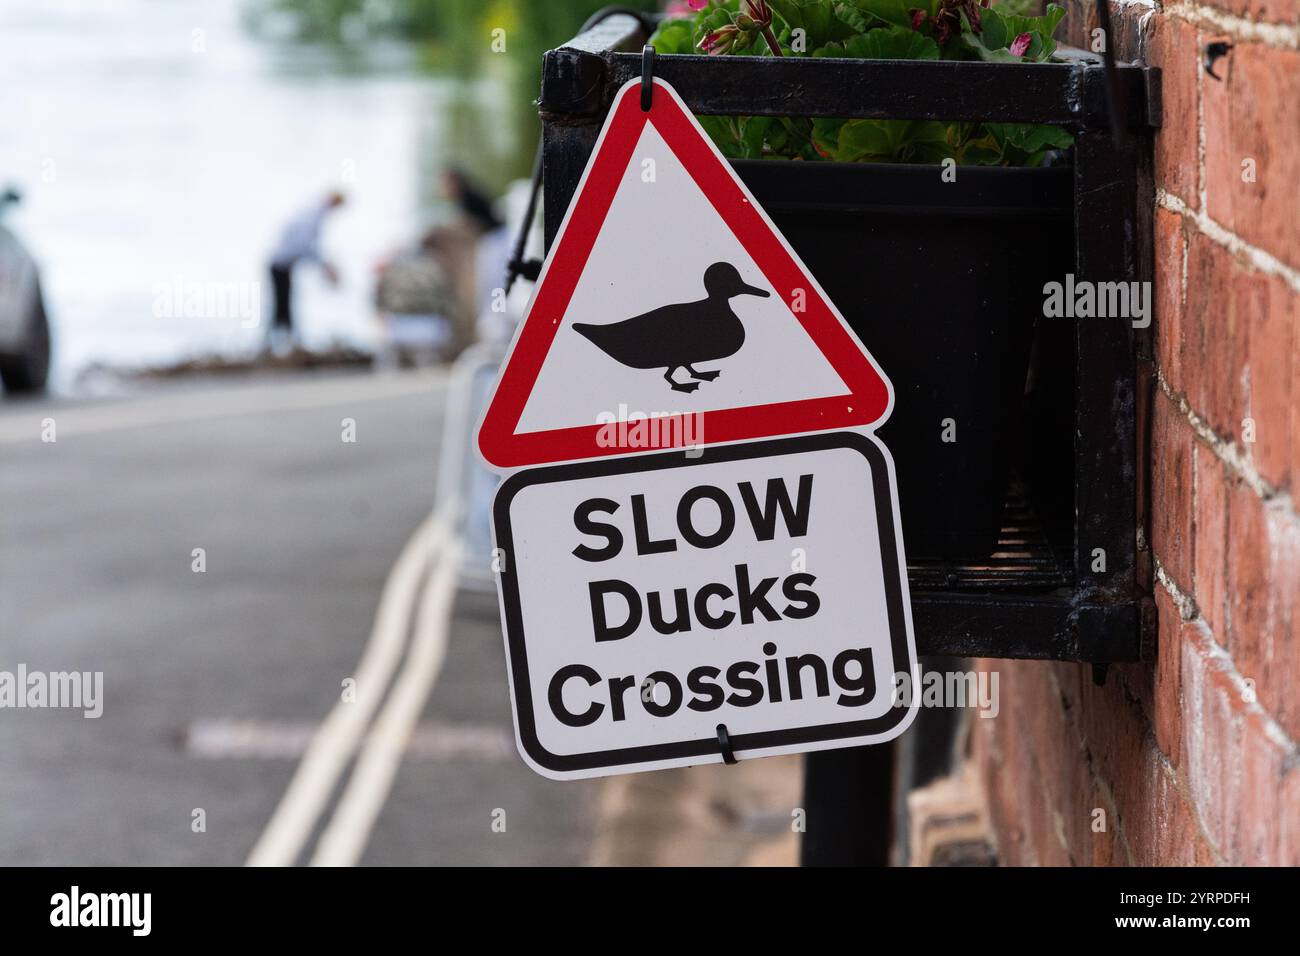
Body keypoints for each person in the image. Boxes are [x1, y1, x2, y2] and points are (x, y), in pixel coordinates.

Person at [266, 190, 345, 353]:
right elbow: (304, 246)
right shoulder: (314, 215)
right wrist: (325, 266)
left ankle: (282, 343)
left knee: (284, 303)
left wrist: (324, 265)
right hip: (280, 264)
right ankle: (278, 344)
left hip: (283, 264)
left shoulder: (312, 212)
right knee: (282, 304)